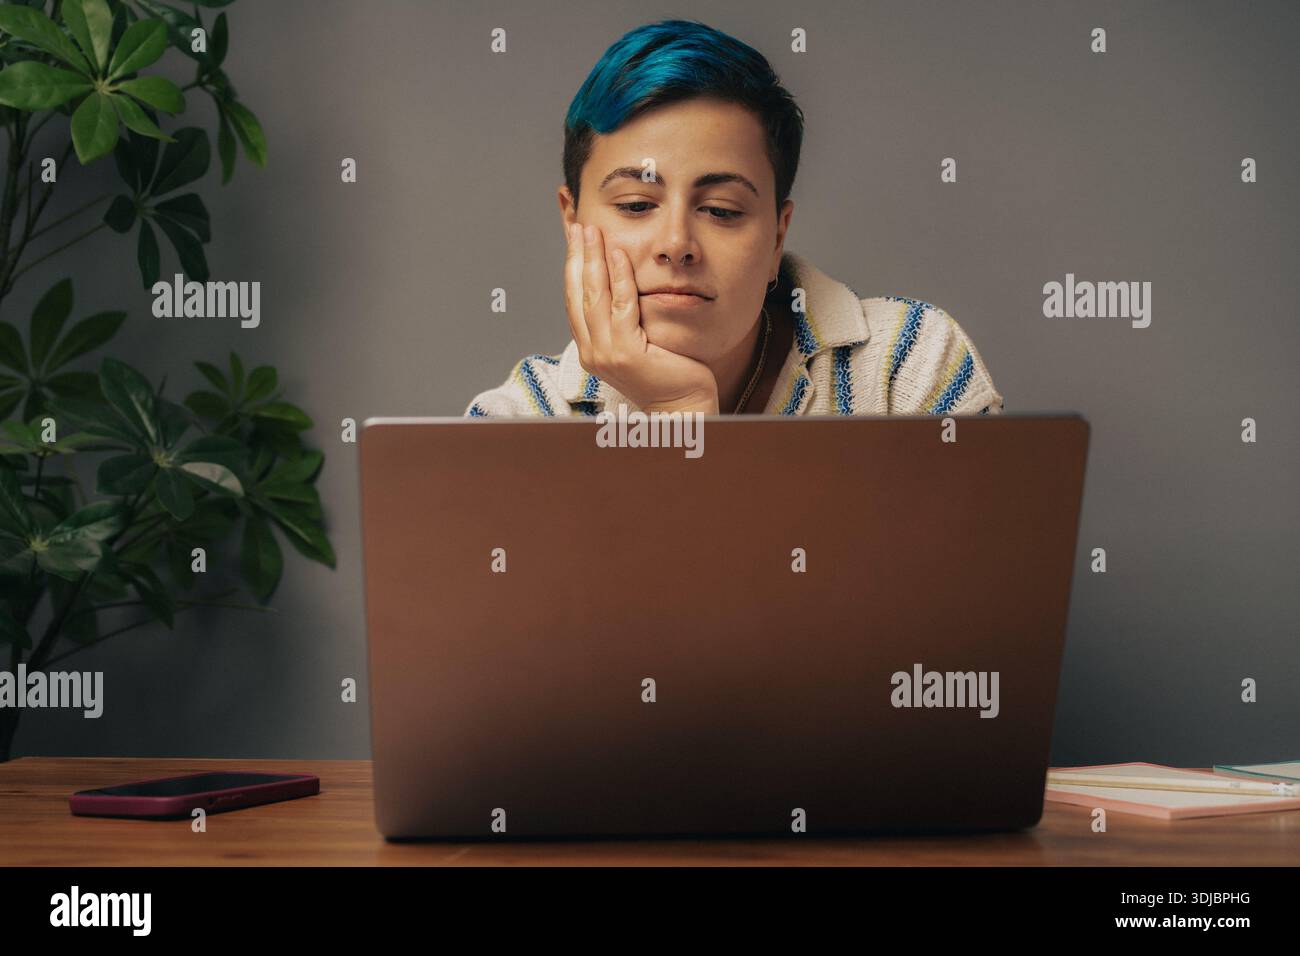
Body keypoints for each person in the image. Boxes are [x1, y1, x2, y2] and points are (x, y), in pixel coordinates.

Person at [464, 18, 1004, 419]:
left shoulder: (905, 369)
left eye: (721, 210)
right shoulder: (519, 426)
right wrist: (678, 411)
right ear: (572, 222)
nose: (676, 244)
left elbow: (981, 573)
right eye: (635, 205)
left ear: (776, 237)